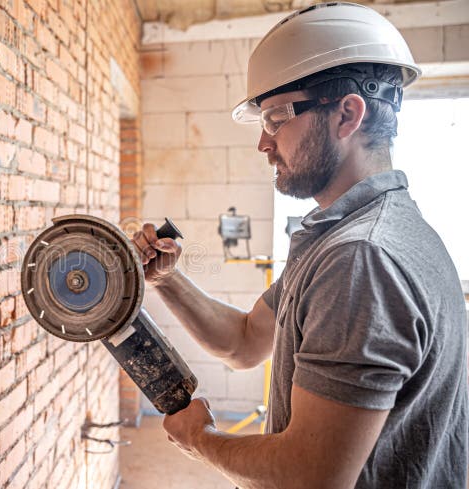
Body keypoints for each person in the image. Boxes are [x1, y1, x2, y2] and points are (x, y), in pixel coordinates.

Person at [131, 3, 468, 487]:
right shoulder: (345, 236)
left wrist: (200, 440)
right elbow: (245, 341)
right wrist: (167, 280)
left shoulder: (361, 259)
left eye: (275, 119)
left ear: (347, 114)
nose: (263, 145)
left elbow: (309, 477)